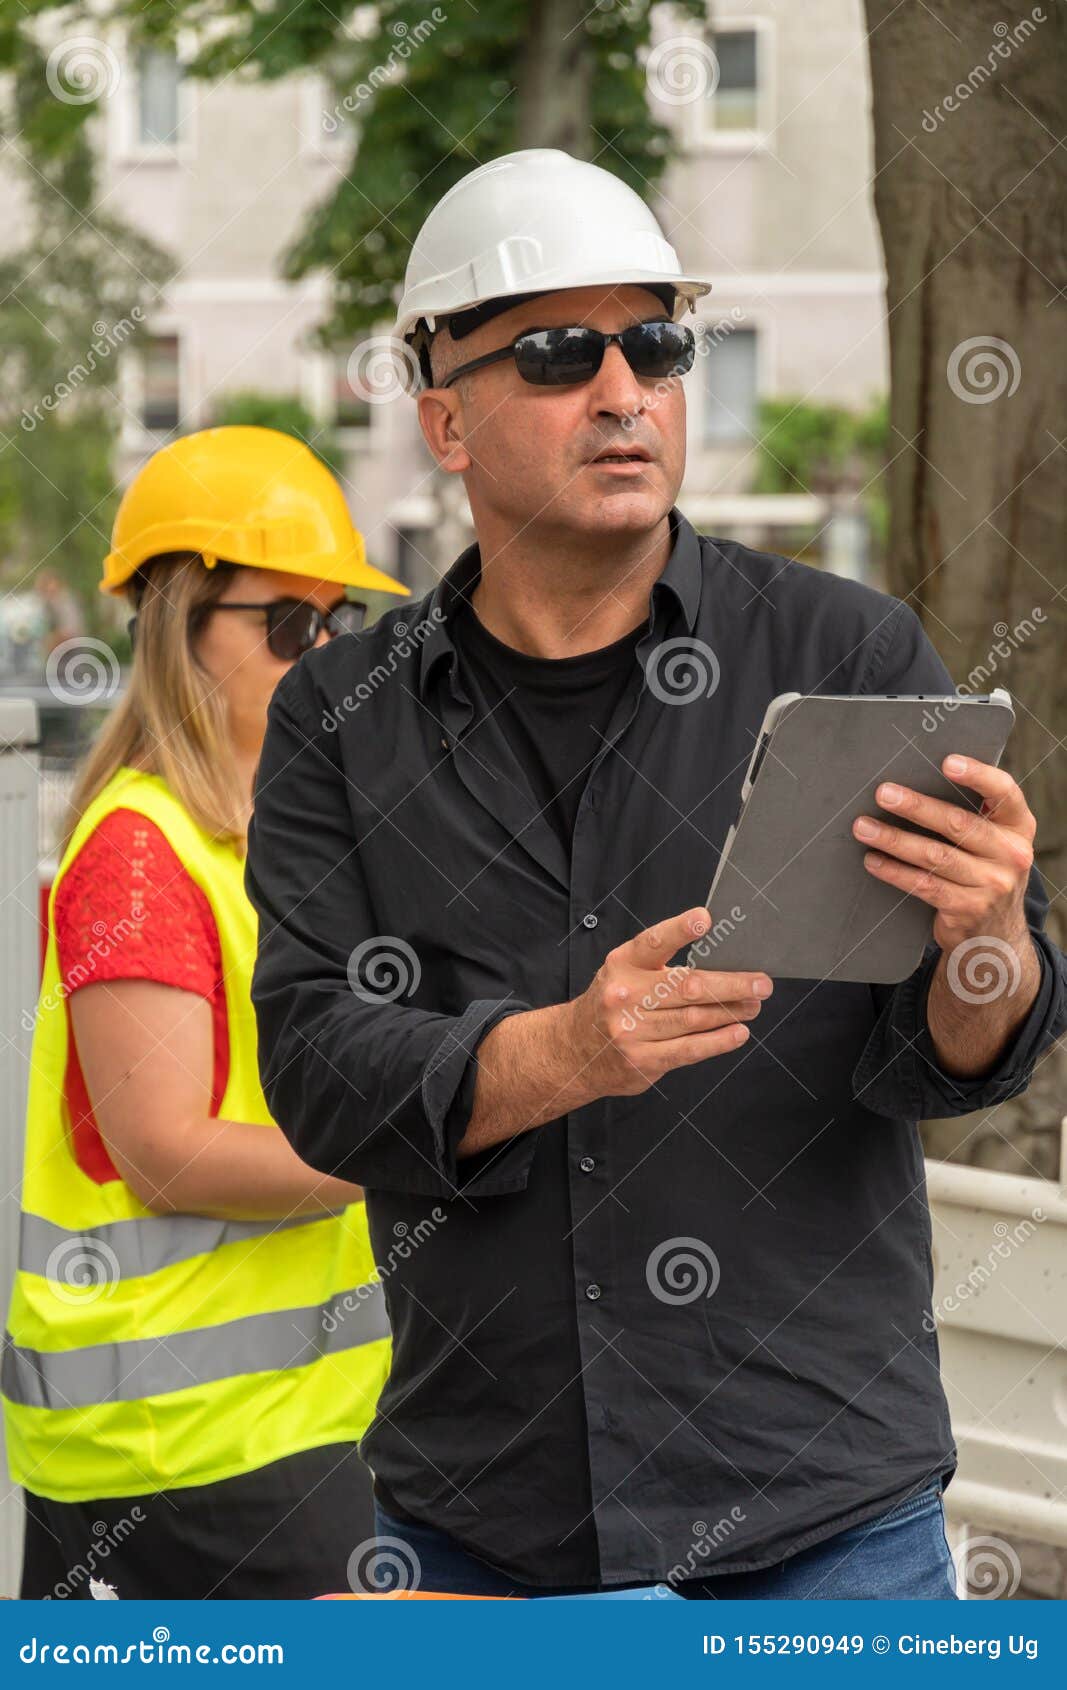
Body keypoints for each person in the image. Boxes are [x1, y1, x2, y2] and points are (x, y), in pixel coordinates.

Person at [242, 151, 1067, 1600]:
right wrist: (559, 1052)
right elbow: (315, 1069)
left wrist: (982, 942)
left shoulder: (846, 657)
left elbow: (957, 1056)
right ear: (443, 415)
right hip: (483, 1530)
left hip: (822, 1523)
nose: (623, 390)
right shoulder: (340, 715)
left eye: (657, 346)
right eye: (559, 353)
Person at [3, 425, 407, 1600]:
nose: (322, 654)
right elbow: (165, 1150)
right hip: (174, 1443)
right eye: (286, 626)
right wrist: (422, 1143)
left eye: (337, 623)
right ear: (181, 626)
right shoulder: (142, 852)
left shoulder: (270, 837)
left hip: (280, 1423)